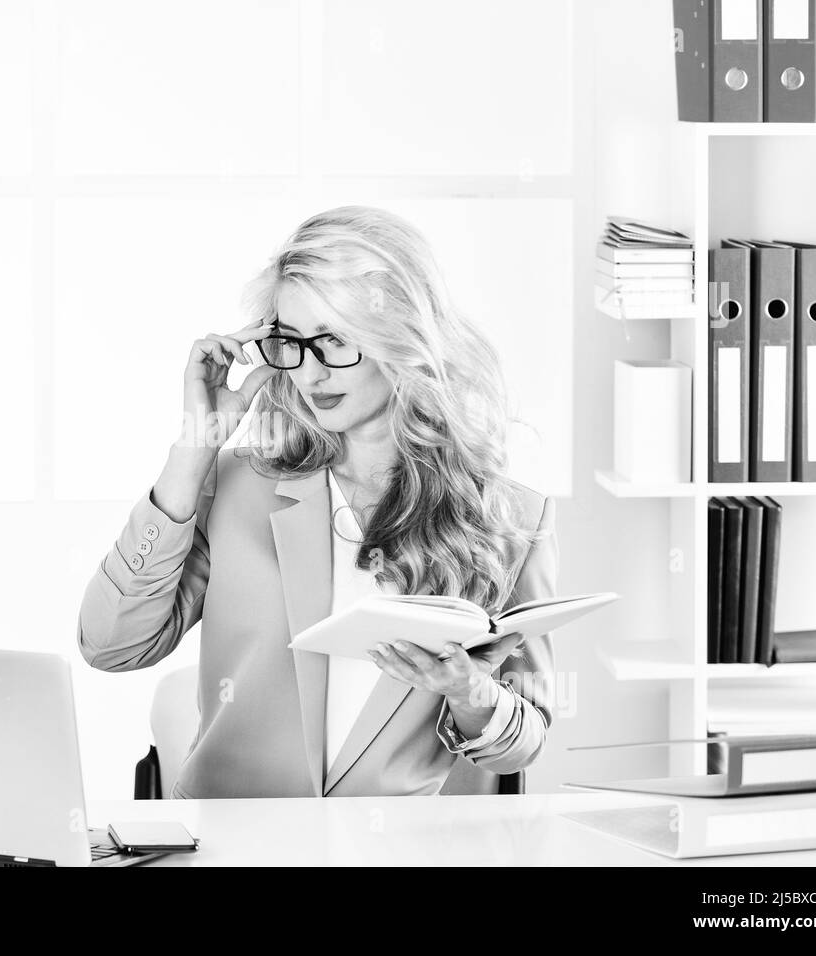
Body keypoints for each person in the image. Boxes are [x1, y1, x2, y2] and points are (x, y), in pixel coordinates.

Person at [78, 205, 558, 798]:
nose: (309, 373)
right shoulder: (236, 486)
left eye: (335, 341)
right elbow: (110, 646)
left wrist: (470, 692)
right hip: (233, 847)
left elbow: (526, 740)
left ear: (402, 337)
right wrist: (192, 449)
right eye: (292, 342)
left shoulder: (509, 518)